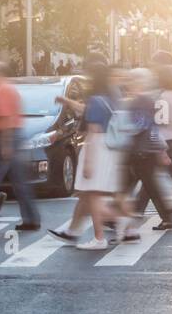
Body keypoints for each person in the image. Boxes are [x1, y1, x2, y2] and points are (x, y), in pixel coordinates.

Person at [52, 58, 128, 249]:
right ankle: (72, 231)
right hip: (110, 147)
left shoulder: (95, 99)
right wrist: (67, 101)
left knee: (92, 195)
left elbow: (93, 130)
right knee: (86, 194)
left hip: (96, 147)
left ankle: (104, 234)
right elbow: (87, 111)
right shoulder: (110, 97)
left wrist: (88, 163)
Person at [132, 51, 172, 221]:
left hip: (161, 140)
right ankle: (139, 206)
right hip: (171, 138)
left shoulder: (160, 96)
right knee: (161, 174)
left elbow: (159, 119)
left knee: (160, 175)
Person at [0, 61, 40, 232]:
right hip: (13, 136)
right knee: (20, 182)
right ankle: (31, 219)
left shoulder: (3, 90)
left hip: (5, 136)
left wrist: (5, 145)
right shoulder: (9, 89)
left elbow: (5, 118)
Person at [121, 68, 172, 233]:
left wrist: (122, 128)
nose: (128, 84)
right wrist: (161, 149)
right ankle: (167, 218)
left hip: (140, 150)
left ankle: (113, 216)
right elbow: (153, 128)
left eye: (131, 81)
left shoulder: (140, 101)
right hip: (145, 150)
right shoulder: (145, 100)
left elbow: (142, 126)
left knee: (128, 186)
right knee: (144, 186)